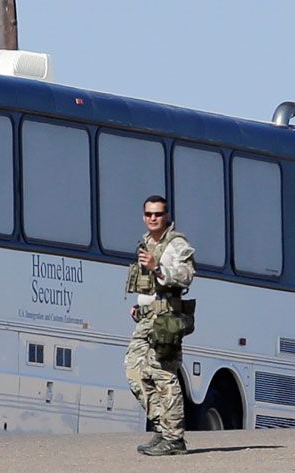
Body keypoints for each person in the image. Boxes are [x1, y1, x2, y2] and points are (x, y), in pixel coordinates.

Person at [125, 195, 195, 456]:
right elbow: (146, 286)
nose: (152, 218)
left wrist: (158, 268)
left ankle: (174, 438)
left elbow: (185, 276)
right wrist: (139, 306)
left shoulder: (176, 244)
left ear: (166, 216)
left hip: (166, 319)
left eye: (158, 214)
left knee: (163, 375)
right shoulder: (145, 242)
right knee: (135, 372)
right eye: (148, 214)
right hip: (146, 319)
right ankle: (161, 428)